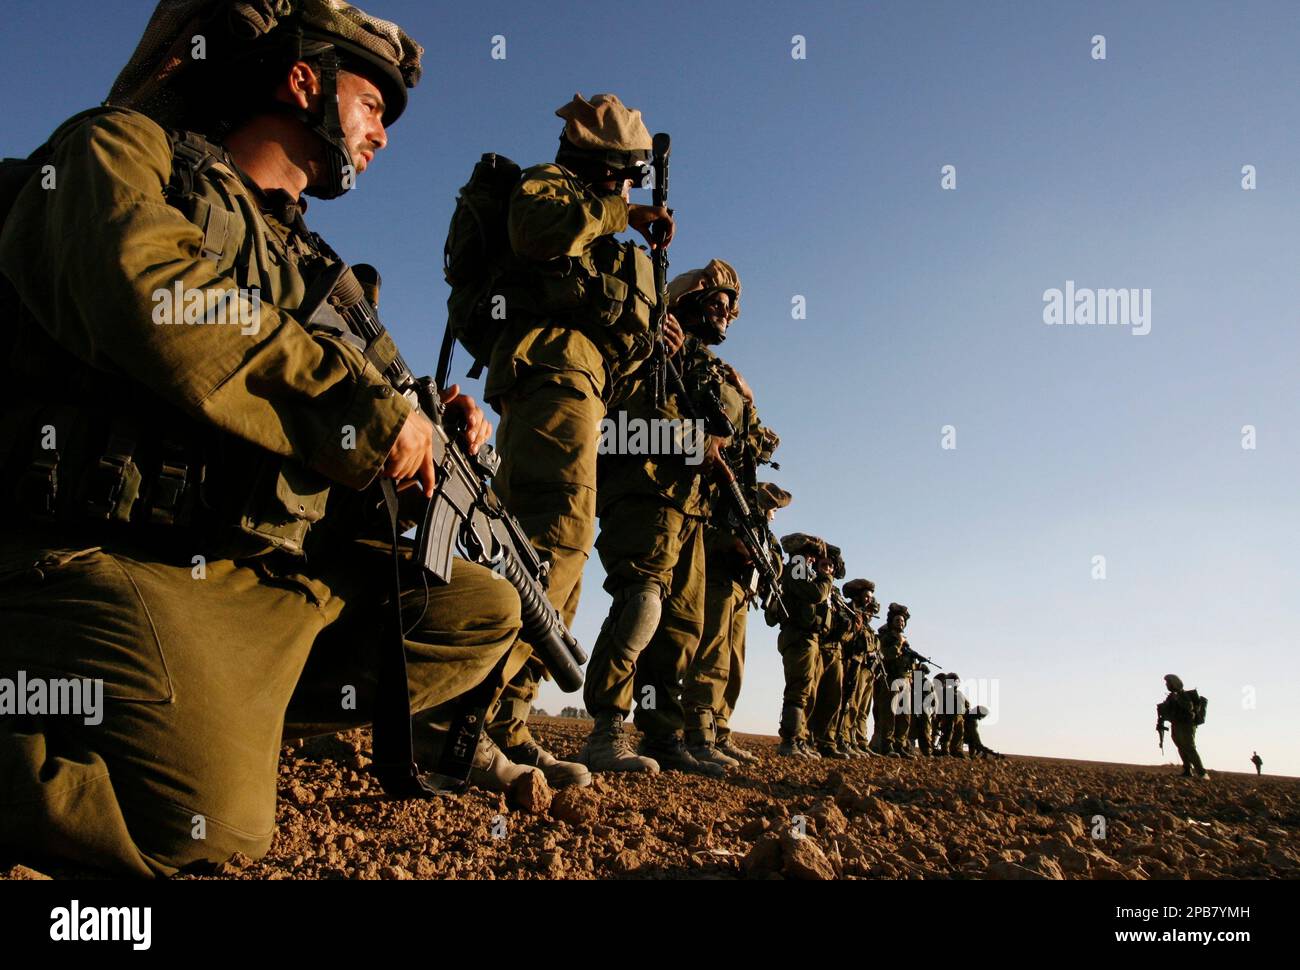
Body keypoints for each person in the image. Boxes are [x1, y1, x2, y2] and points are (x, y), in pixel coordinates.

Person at [0, 1, 537, 878]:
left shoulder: (320, 271)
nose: (383, 136)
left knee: (481, 611)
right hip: (114, 554)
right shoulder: (122, 150)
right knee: (200, 823)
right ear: (303, 83)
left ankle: (204, 708)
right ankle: (129, 718)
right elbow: (147, 288)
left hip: (264, 575)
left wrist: (434, 427)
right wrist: (365, 418)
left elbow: (383, 412)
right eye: (374, 106)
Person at [483, 92, 676, 785]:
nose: (628, 189)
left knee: (546, 555)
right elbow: (537, 231)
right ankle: (469, 716)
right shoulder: (551, 187)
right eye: (623, 176)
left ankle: (503, 720)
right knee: (556, 541)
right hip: (552, 372)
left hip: (578, 382)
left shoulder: (595, 221)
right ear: (600, 164)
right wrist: (627, 214)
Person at [579, 260, 747, 777]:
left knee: (680, 627)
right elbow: (622, 422)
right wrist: (653, 353)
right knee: (641, 603)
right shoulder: (651, 343)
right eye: (715, 303)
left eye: (730, 308)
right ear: (690, 303)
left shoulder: (706, 368)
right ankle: (606, 727)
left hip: (690, 503)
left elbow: (733, 429)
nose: (725, 315)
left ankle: (662, 734)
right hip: (643, 490)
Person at [774, 534, 833, 759]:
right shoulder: (797, 566)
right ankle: (789, 741)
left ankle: (798, 739)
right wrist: (826, 580)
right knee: (798, 689)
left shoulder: (804, 569)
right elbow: (814, 594)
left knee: (806, 690)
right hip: (798, 635)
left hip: (806, 637)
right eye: (813, 554)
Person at [870, 603, 912, 757]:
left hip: (904, 680)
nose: (900, 623)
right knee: (889, 715)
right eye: (897, 621)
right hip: (890, 679)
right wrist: (898, 643)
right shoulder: (885, 637)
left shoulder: (904, 639)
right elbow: (885, 655)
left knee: (904, 716)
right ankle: (887, 746)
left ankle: (900, 744)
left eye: (902, 621)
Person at [1156, 673, 1207, 778]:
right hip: (1176, 724)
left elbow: (1189, 707)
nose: (1167, 685)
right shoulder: (1171, 697)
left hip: (1186, 725)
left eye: (1168, 683)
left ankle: (1202, 773)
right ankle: (1187, 771)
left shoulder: (1182, 695)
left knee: (1189, 748)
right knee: (1181, 747)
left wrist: (1177, 699)